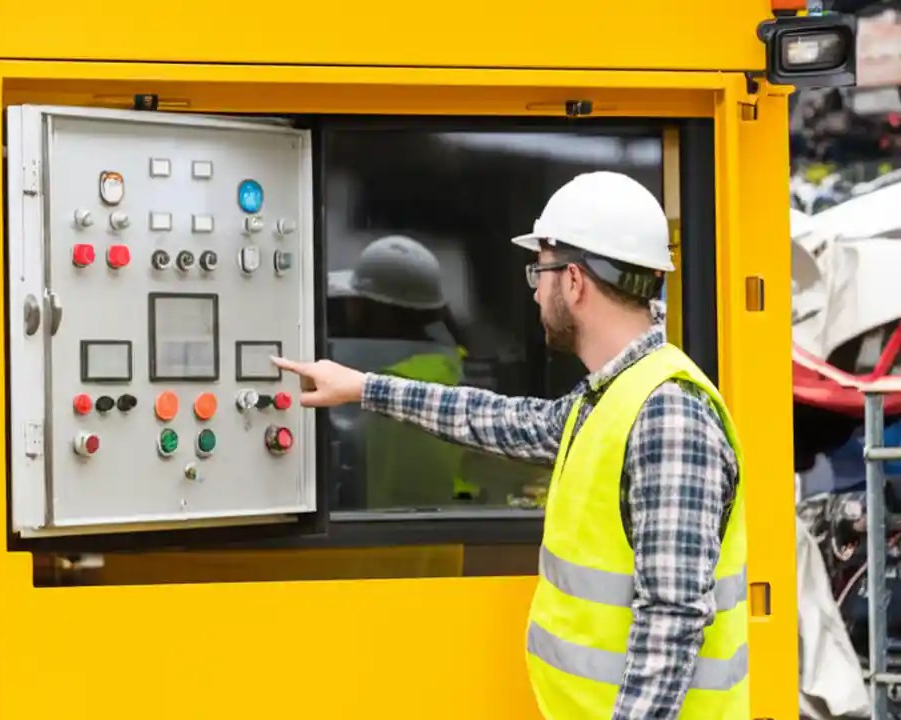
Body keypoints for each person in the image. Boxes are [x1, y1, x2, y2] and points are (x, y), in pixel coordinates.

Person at [273, 171, 748, 719]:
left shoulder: (667, 414)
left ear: (573, 281)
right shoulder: (616, 395)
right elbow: (511, 421)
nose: (535, 291)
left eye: (539, 272)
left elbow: (672, 621)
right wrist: (365, 387)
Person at [324, 234, 482, 508]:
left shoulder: (394, 386)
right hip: (437, 529)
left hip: (383, 535)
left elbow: (346, 453)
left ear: (364, 307)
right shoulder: (447, 367)